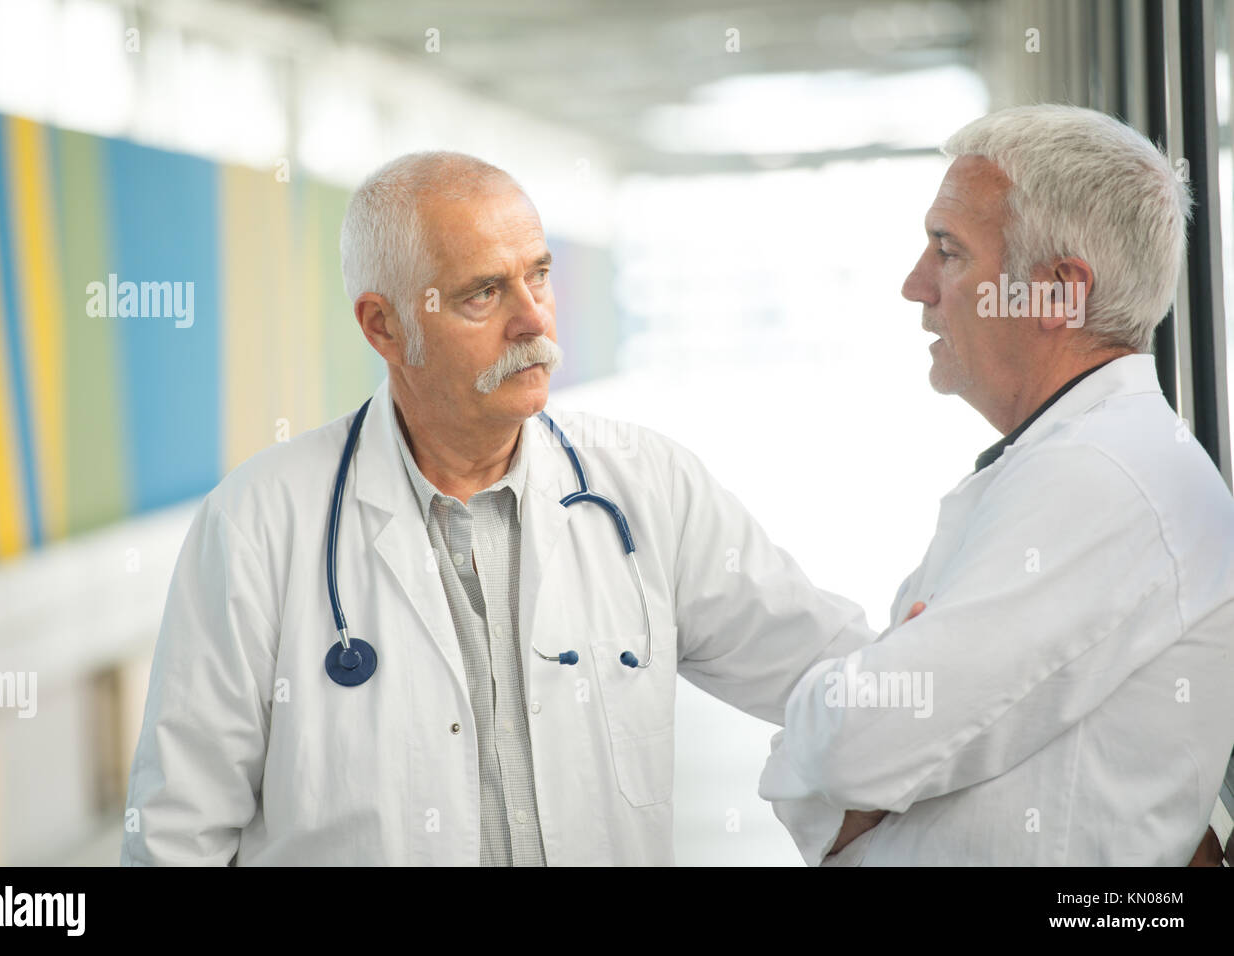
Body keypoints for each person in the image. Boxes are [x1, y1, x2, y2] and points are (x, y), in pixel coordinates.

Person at [121, 151, 874, 865]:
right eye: (484, 292)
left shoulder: (647, 487)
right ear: (384, 326)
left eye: (538, 276)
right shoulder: (259, 523)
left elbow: (825, 668)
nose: (534, 320)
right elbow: (177, 832)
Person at [760, 104, 1234, 866]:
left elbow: (857, 744)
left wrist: (835, 711)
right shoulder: (1072, 462)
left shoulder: (1102, 479)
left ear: (1056, 292)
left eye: (948, 251)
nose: (915, 285)